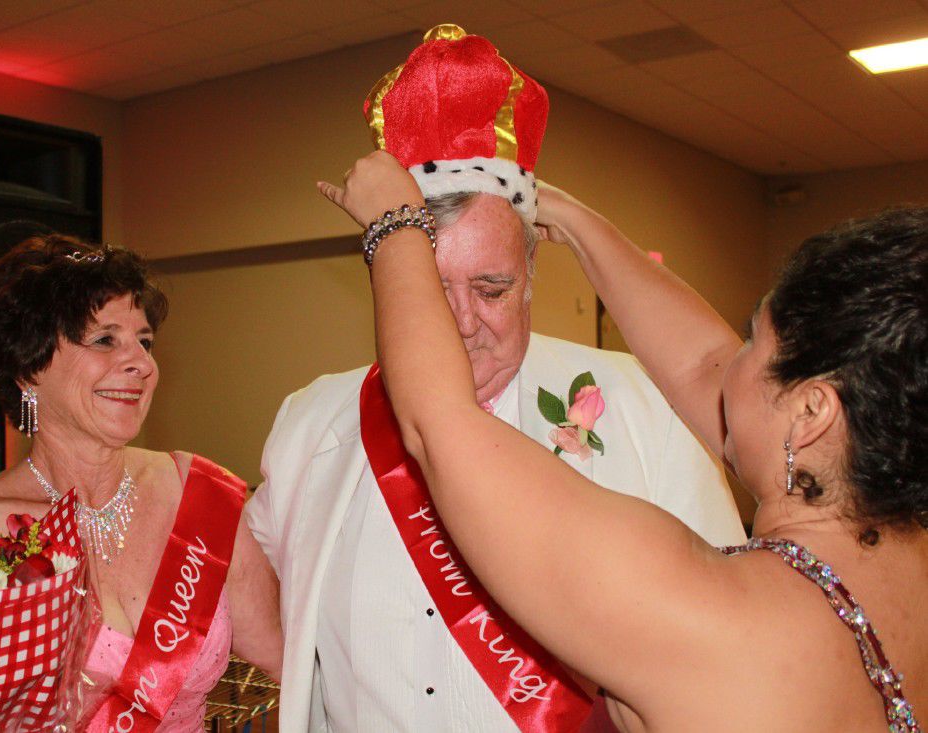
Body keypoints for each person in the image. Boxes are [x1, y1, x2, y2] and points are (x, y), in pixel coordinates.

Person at [323, 146, 927, 730]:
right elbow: (698, 365)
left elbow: (438, 423)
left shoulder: (696, 609)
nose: (728, 361)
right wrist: (559, 212)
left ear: (812, 412)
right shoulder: (909, 563)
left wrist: (396, 226)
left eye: (750, 343)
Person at [247, 26, 744, 732]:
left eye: (490, 287)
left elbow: (729, 639)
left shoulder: (645, 407)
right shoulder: (311, 421)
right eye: (429, 286)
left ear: (533, 281)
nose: (460, 322)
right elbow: (244, 595)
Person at [0, 236, 283, 730]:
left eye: (145, 342)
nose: (144, 364)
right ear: (29, 366)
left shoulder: (197, 492)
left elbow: (289, 661)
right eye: (105, 339)